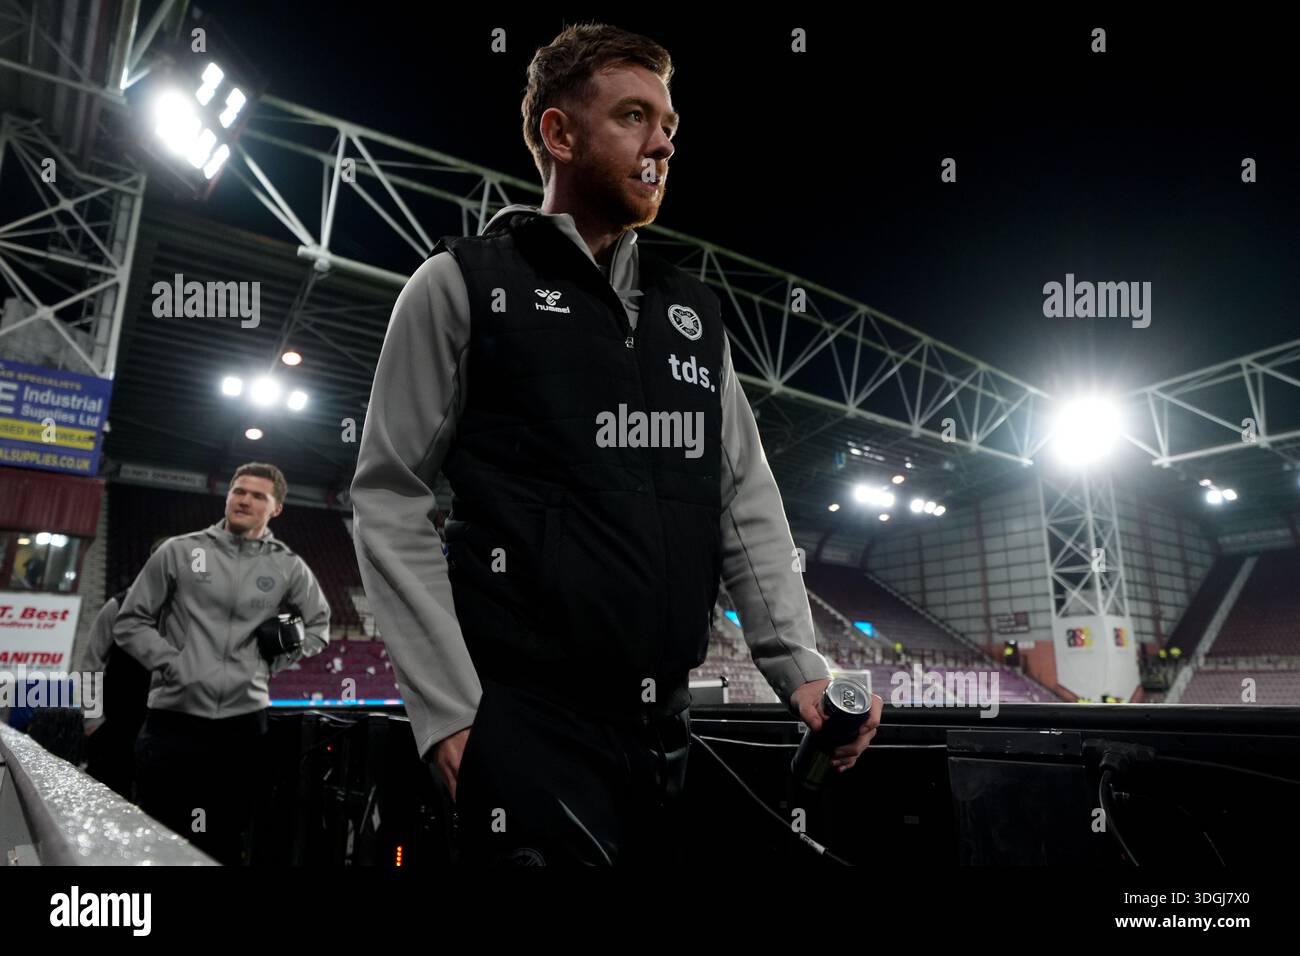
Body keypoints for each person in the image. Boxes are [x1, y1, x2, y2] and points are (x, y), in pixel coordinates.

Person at [351, 22, 882, 867]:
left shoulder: (694, 315)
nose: (663, 142)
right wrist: (450, 715)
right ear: (558, 134)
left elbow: (742, 499)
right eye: (635, 117)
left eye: (670, 124)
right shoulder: (460, 285)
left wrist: (800, 666)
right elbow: (389, 497)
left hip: (664, 722)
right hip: (522, 718)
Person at [114, 462, 330, 864]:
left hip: (243, 726)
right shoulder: (179, 551)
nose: (244, 499)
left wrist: (269, 666)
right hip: (173, 720)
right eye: (239, 491)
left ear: (276, 508)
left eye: (258, 495)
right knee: (156, 834)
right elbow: (130, 621)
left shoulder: (287, 565)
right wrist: (171, 663)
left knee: (226, 836)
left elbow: (319, 626)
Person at [77, 537, 168, 799]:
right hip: (115, 733)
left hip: (164, 736)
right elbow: (89, 667)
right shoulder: (118, 606)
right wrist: (93, 722)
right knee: (107, 809)